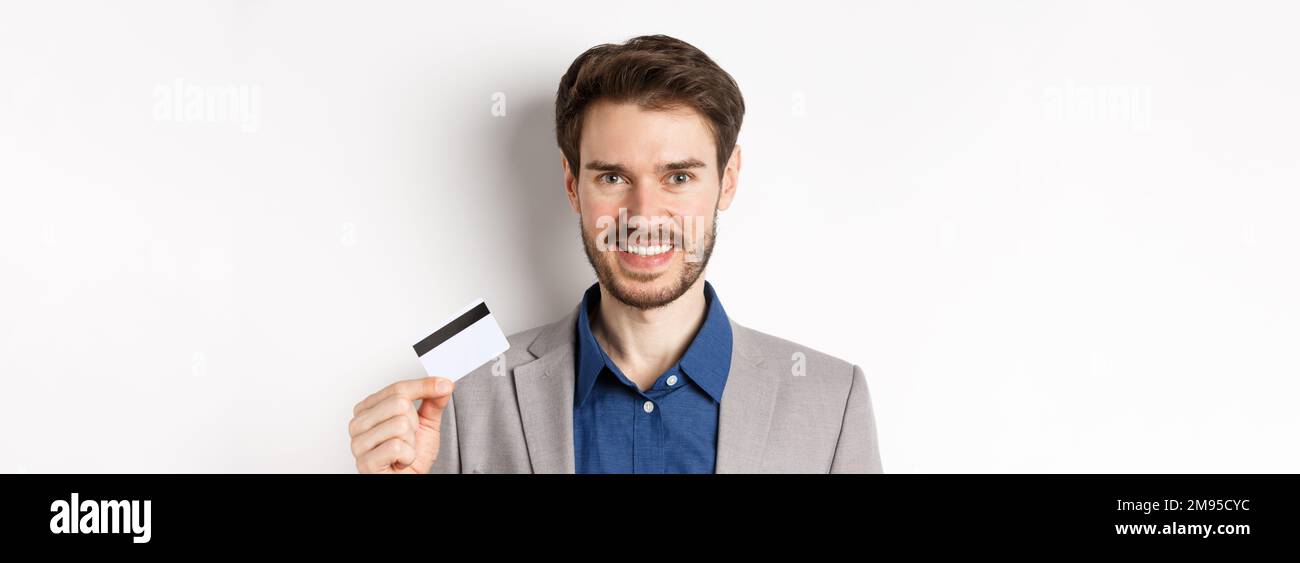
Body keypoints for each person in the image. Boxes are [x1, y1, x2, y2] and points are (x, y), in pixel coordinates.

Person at [347, 35, 882, 473]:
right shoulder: (465, 393)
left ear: (728, 180)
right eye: (612, 176)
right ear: (572, 184)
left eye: (678, 176)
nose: (643, 214)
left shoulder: (833, 402)